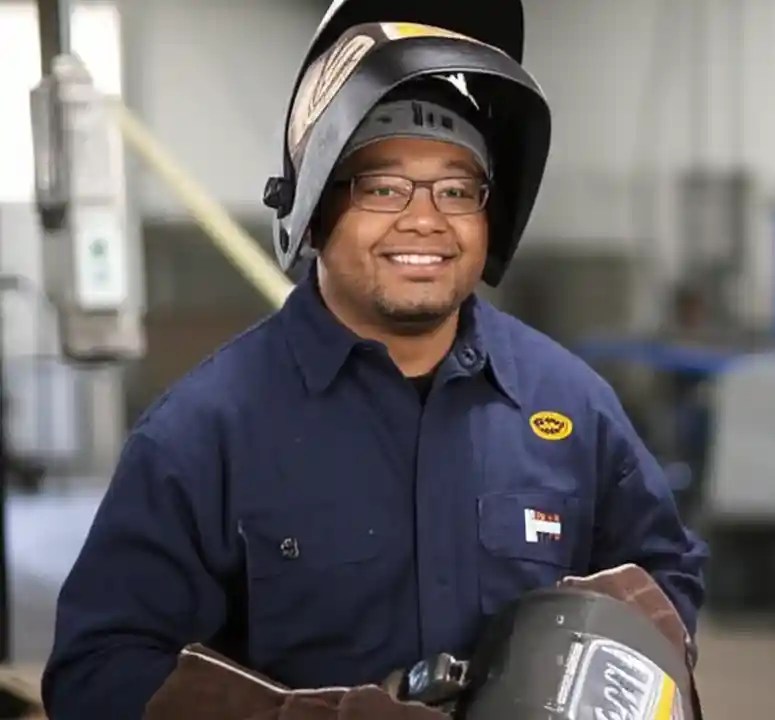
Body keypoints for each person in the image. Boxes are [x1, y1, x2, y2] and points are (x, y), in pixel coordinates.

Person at [41, 7, 708, 719]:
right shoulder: (203, 434)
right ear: (318, 211)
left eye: (457, 190)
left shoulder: (570, 405)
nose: (425, 219)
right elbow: (97, 673)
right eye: (382, 188)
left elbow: (662, 579)